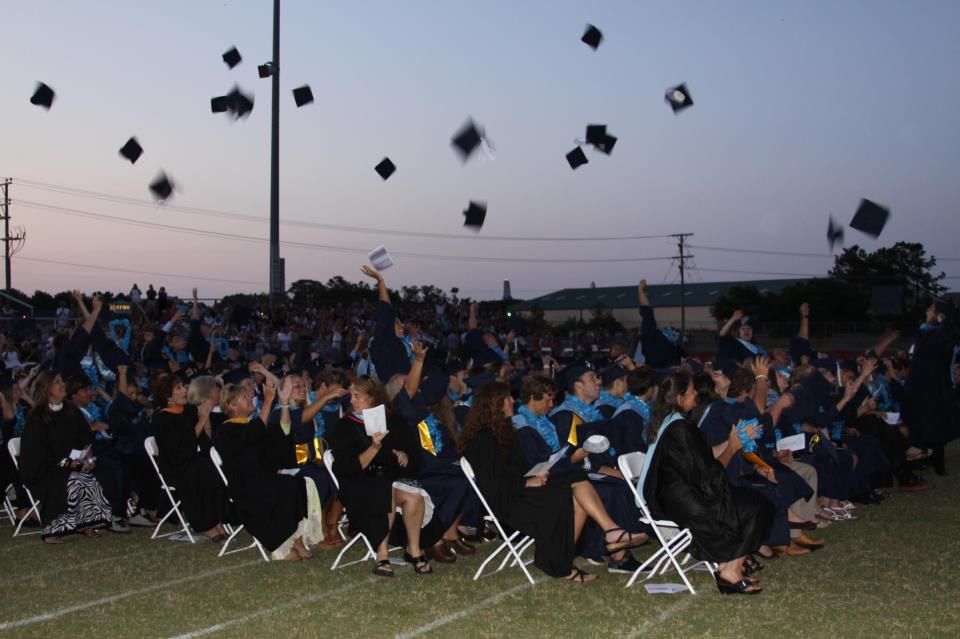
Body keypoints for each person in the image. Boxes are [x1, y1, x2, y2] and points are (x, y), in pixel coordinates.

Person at [461, 381, 647, 583]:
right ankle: (594, 542)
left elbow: (517, 470)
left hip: (521, 490)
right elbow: (492, 484)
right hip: (508, 501)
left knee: (577, 480)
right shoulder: (483, 440)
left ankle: (594, 542)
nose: (512, 401)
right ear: (495, 404)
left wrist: (537, 475)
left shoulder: (504, 432)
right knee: (570, 494)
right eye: (507, 398)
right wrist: (526, 483)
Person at [643, 372, 774, 594]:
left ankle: (730, 566)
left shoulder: (672, 423)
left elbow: (703, 458)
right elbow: (709, 475)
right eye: (691, 391)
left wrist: (734, 441)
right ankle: (731, 569)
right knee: (756, 505)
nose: (696, 394)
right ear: (679, 397)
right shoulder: (680, 429)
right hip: (685, 502)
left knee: (752, 501)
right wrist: (732, 447)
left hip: (679, 495)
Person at [327, 375, 433, 576]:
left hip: (388, 481)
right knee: (384, 490)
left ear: (373, 397)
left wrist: (405, 456)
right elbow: (348, 467)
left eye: (357, 396)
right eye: (351, 396)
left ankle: (414, 549)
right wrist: (374, 447)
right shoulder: (345, 426)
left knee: (414, 496)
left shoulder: (394, 421)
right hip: (357, 485)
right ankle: (382, 553)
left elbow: (413, 456)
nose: (352, 400)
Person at [215, 380, 323, 560]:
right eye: (244, 397)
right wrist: (267, 401)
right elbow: (253, 433)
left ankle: (297, 540)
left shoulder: (250, 425)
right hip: (246, 486)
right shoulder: (226, 431)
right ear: (232, 405)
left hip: (265, 479)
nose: (250, 399)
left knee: (296, 483)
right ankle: (283, 545)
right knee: (284, 488)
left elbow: (281, 435)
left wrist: (284, 403)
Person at [19, 371, 112, 543]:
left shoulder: (71, 410)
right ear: (47, 388)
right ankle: (53, 529)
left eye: (62, 381)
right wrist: (71, 464)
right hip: (45, 468)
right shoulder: (37, 417)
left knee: (100, 473)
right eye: (57, 382)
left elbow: (85, 437)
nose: (62, 385)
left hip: (73, 462)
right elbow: (40, 454)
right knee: (72, 479)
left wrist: (89, 458)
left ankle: (87, 523)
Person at [151, 373, 229, 541]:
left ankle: (218, 519)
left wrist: (214, 456)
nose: (184, 390)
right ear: (168, 396)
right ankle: (206, 524)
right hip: (176, 466)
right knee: (198, 471)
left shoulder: (188, 411)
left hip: (193, 461)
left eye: (183, 386)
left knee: (211, 466)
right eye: (178, 388)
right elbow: (181, 449)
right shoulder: (162, 418)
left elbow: (203, 441)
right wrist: (201, 421)